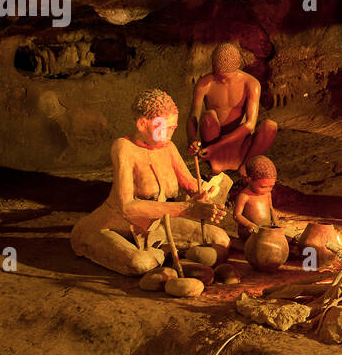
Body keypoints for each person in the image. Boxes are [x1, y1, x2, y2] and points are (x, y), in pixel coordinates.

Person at [71, 89, 227, 275]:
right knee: (141, 263)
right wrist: (186, 209)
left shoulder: (168, 148)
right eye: (163, 128)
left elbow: (193, 186)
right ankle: (162, 256)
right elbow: (127, 207)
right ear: (142, 124)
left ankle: (164, 255)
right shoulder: (124, 148)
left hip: (157, 225)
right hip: (114, 227)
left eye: (172, 129)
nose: (169, 135)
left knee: (220, 239)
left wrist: (207, 193)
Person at [187, 43, 278, 174]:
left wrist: (217, 146)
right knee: (208, 116)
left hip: (238, 142)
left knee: (270, 126)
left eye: (225, 77)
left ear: (237, 68)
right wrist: (192, 139)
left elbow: (250, 125)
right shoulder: (204, 84)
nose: (221, 80)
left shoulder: (251, 84)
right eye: (218, 75)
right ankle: (216, 162)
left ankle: (244, 164)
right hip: (214, 140)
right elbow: (193, 117)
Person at [231, 155, 279, 238]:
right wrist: (249, 225)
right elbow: (236, 215)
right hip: (249, 231)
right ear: (249, 180)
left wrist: (275, 221)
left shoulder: (267, 194)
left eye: (271, 186)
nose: (268, 190)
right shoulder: (244, 196)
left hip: (265, 229)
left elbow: (271, 208)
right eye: (263, 187)